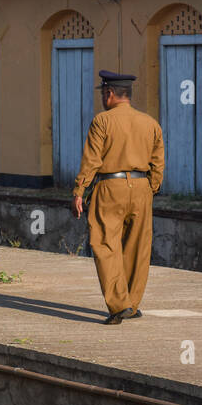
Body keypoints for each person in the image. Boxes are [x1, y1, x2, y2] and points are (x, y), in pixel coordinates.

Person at [72, 71, 165, 325]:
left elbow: (92, 160)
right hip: (142, 186)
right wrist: (150, 188)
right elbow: (158, 162)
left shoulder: (102, 121)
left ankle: (119, 304)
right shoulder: (150, 123)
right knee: (138, 247)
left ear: (109, 94)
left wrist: (79, 191)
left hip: (110, 187)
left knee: (105, 244)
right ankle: (132, 304)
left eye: (103, 94)